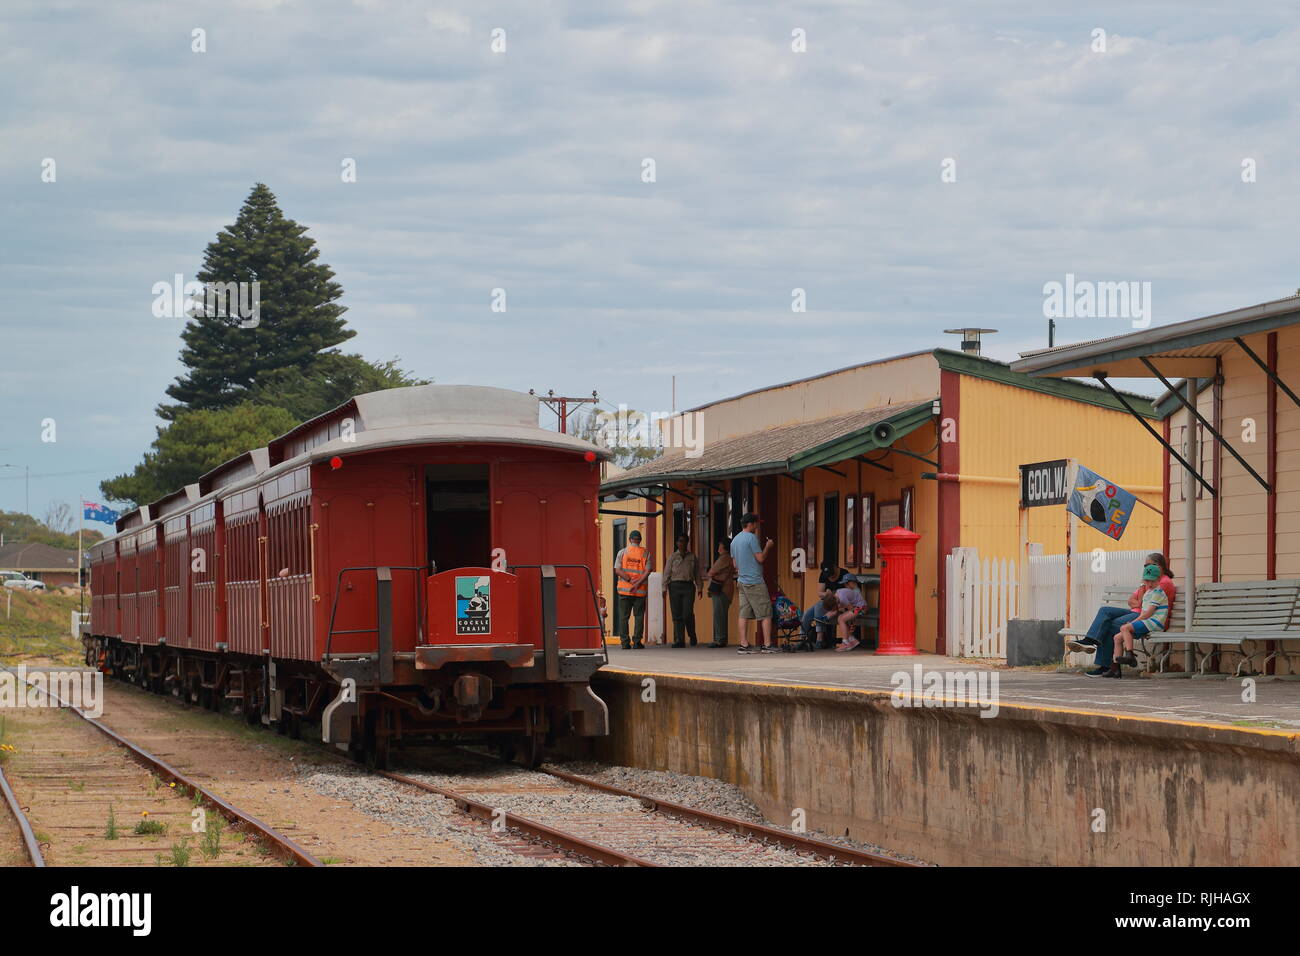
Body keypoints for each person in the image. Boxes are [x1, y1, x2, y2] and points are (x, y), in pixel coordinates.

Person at [1070, 552, 1176, 677]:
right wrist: (1139, 600)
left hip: (1147, 617)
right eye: (1144, 566)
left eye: (1149, 565)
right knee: (1105, 611)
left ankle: (1106, 666)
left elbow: (1142, 603)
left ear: (1158, 566)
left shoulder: (1162, 582)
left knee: (1110, 625)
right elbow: (1131, 601)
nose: (1146, 569)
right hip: (1136, 612)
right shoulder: (1151, 581)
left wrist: (1141, 591)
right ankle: (1090, 640)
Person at [1108, 564, 1171, 677]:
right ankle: (1115, 669)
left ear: (1159, 579)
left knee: (1124, 628)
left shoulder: (1158, 593)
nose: (1150, 584)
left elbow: (1149, 613)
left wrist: (1132, 623)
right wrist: (1134, 622)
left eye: (1153, 581)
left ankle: (1130, 655)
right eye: (1147, 581)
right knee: (1117, 638)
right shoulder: (1148, 593)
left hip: (1154, 623)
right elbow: (1143, 612)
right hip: (1147, 622)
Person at [730, 513, 775, 654]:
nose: (756, 526)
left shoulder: (734, 540)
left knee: (743, 613)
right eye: (756, 524)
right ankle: (767, 644)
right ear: (751, 524)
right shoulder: (752, 538)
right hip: (755, 580)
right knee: (766, 612)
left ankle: (743, 644)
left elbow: (735, 564)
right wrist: (768, 546)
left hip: (742, 581)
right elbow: (760, 558)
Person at [614, 530, 652, 649]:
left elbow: (618, 570)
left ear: (630, 539)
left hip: (624, 590)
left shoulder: (622, 552)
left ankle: (625, 643)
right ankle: (637, 642)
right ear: (639, 540)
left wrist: (629, 581)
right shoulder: (645, 553)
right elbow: (648, 570)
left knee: (624, 617)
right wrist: (638, 583)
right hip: (639, 591)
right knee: (639, 616)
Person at [663, 535, 704, 647]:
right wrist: (664, 588)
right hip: (675, 586)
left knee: (687, 613)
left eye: (685, 541)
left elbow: (697, 574)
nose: (683, 543)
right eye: (680, 541)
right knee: (676, 614)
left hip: (688, 586)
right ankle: (679, 640)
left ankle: (692, 634)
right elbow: (666, 573)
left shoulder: (692, 557)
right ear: (677, 543)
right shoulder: (672, 557)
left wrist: (700, 588)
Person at [704, 538, 736, 647]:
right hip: (726, 589)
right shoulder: (729, 558)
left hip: (721, 589)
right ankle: (721, 638)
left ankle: (719, 639)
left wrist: (711, 574)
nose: (718, 547)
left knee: (718, 615)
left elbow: (711, 572)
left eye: (720, 545)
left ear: (724, 548)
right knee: (721, 614)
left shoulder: (724, 558)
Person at [832, 575, 868, 651]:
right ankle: (851, 639)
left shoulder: (856, 590)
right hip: (857, 608)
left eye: (846, 584)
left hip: (860, 609)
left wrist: (845, 611)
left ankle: (846, 642)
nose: (845, 586)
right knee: (841, 618)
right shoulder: (847, 591)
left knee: (842, 619)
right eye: (845, 584)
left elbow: (851, 608)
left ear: (852, 583)